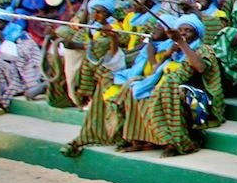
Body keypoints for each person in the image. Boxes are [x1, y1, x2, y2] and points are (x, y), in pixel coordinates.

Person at [62, 15, 178, 156]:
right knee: (105, 82)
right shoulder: (149, 46)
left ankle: (137, 139)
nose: (154, 30)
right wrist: (114, 39)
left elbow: (155, 71)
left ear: (168, 32)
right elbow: (124, 60)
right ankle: (92, 134)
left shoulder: (170, 49)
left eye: (159, 27)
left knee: (130, 90)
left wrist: (153, 54)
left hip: (152, 83)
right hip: (138, 79)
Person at [121, 14, 225, 157]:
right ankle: (142, 139)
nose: (183, 33)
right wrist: (167, 55)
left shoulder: (203, 49)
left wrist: (182, 44)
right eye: (180, 30)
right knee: (134, 88)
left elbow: (200, 68)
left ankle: (176, 141)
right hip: (170, 86)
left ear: (197, 33)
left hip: (199, 95)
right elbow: (154, 72)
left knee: (168, 91)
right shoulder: (175, 51)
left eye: (188, 30)